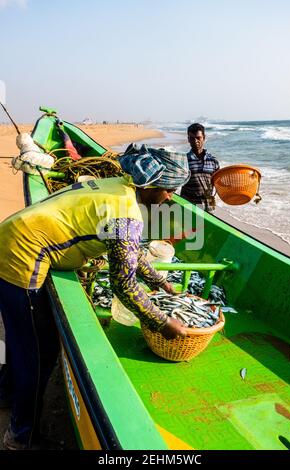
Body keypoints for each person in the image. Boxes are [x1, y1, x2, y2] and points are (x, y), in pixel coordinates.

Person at [0, 144, 190, 450]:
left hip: (11, 236)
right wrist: (162, 322)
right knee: (38, 353)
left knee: (23, 339)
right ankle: (20, 438)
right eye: (168, 190)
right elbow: (123, 285)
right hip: (22, 255)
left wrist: (160, 282)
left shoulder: (117, 186)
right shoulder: (127, 213)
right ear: (152, 184)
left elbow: (130, 251)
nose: (169, 197)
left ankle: (6, 395)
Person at [180, 123, 220, 212]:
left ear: (204, 138)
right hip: (189, 208)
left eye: (198, 138)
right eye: (192, 138)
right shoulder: (183, 161)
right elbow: (175, 182)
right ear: (188, 139)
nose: (195, 141)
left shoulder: (213, 161)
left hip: (209, 208)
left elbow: (219, 183)